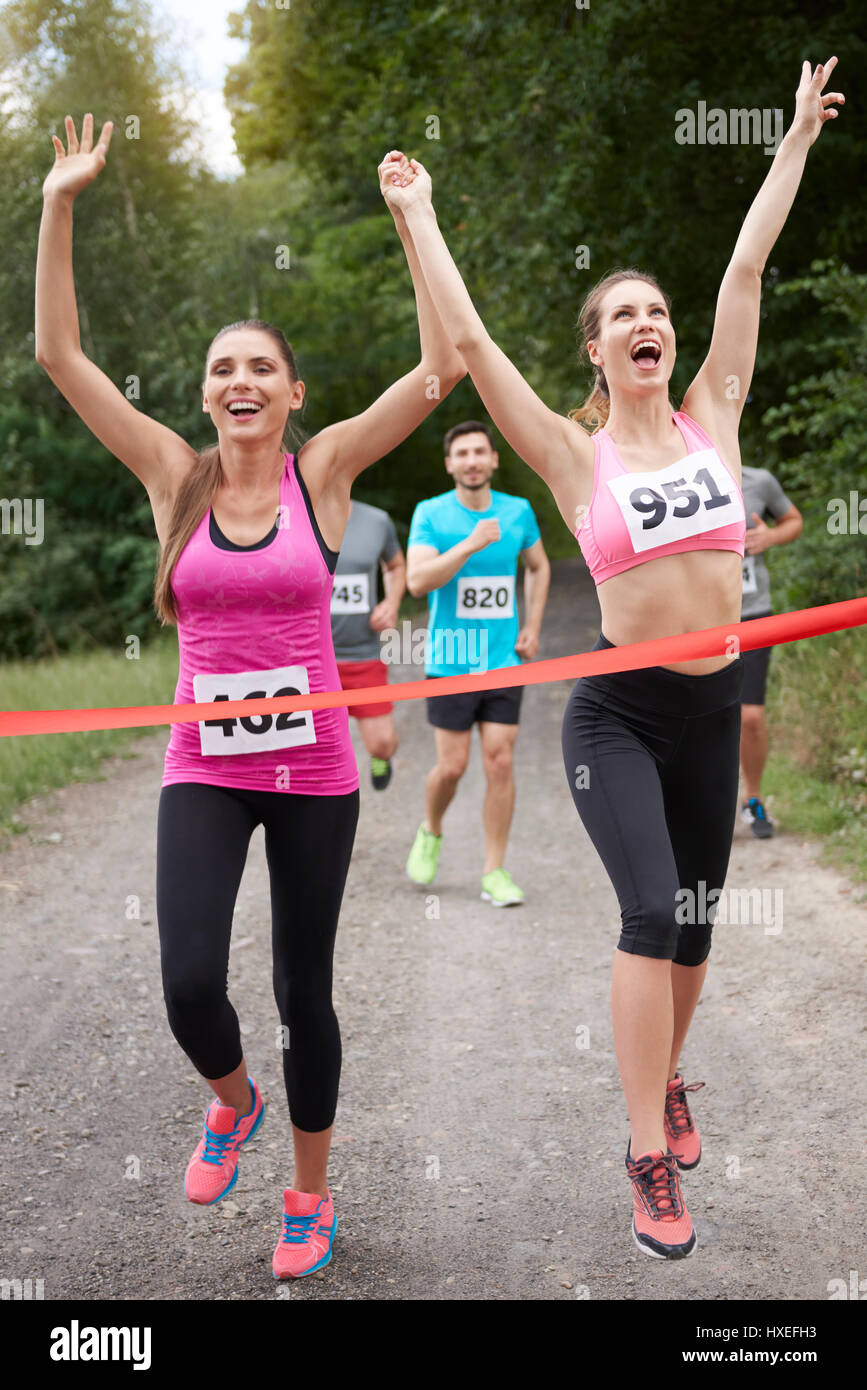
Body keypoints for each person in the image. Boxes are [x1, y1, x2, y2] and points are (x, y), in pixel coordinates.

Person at [381, 59, 842, 1257]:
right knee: (649, 910)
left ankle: (667, 1075)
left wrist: (793, 141)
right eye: (622, 315)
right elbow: (471, 341)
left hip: (713, 710)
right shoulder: (570, 457)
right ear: (596, 351)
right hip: (620, 714)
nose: (647, 323)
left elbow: (747, 269)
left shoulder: (715, 416)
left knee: (696, 924)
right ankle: (646, 1156)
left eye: (657, 312)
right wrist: (418, 215)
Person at [35, 123, 466, 1280]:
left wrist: (413, 220)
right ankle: (233, 1101)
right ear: (205, 392)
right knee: (188, 982)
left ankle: (310, 1195)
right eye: (223, 368)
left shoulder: (324, 474)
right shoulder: (171, 476)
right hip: (208, 765)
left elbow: (443, 367)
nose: (240, 381)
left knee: (300, 991)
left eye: (261, 368)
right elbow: (61, 356)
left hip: (314, 767)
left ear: (292, 392)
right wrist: (61, 201)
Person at [405, 420, 550, 905]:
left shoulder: (518, 511)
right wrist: (470, 542)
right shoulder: (430, 513)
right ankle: (431, 828)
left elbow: (539, 566)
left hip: (503, 661)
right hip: (450, 662)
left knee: (500, 760)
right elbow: (417, 582)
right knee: (452, 767)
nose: (471, 461)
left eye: (479, 452)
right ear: (450, 464)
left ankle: (494, 871)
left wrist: (533, 625)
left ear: (493, 460)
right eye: (462, 454)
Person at [739, 466, 803, 838]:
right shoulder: (673, 477)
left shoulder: (757, 481)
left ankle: (754, 798)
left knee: (750, 716)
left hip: (752, 613)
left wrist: (771, 536)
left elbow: (794, 521)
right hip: (701, 618)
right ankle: (700, 806)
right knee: (701, 718)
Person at [331, 499, 406, 790]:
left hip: (363, 653)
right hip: (308, 659)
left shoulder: (376, 520)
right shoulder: (287, 516)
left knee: (383, 743)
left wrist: (391, 603)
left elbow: (395, 565)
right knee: (310, 751)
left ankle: (380, 759)